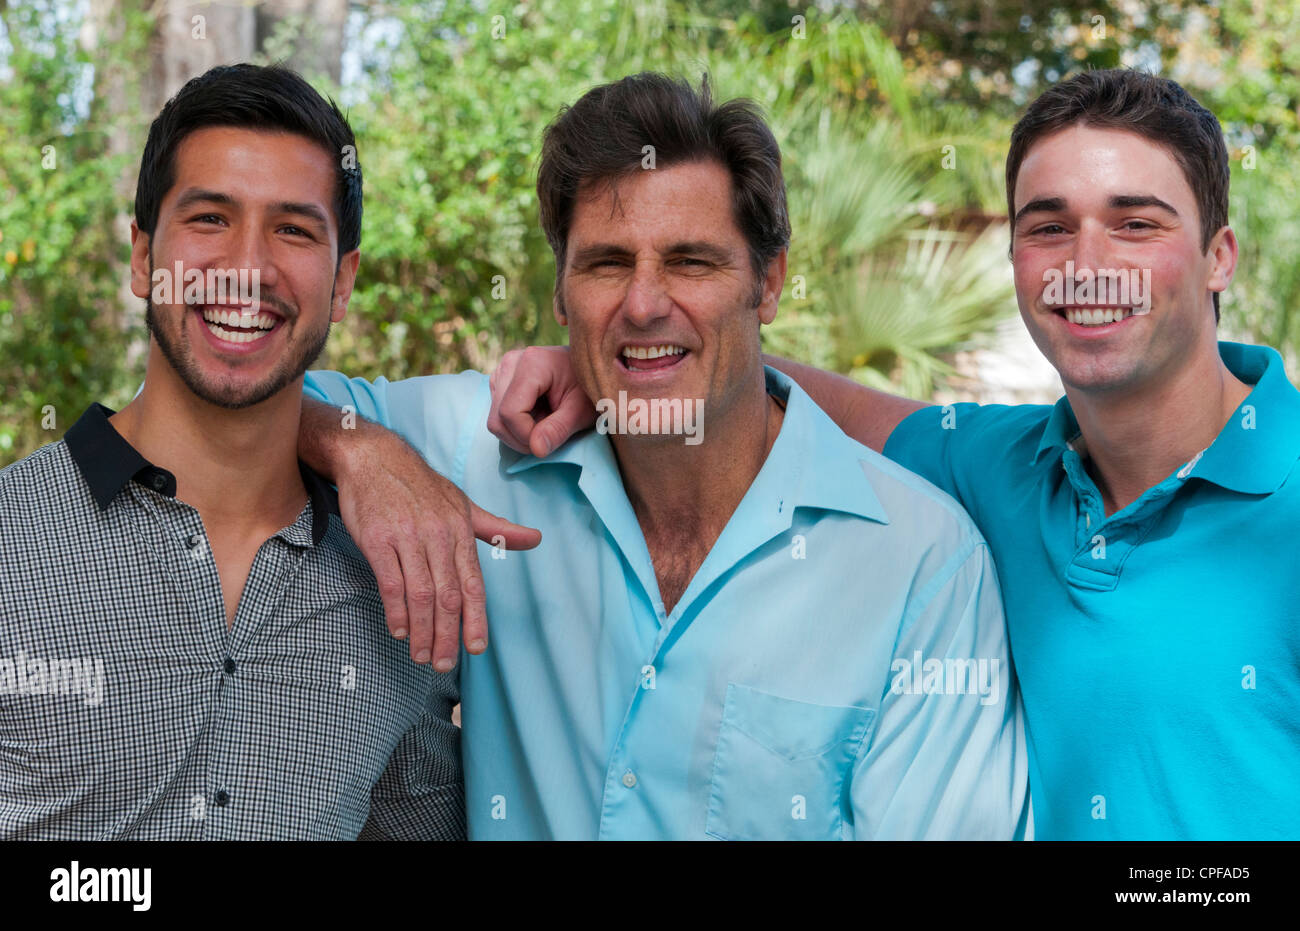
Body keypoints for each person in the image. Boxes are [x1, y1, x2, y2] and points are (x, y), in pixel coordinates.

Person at [491, 69, 1300, 840]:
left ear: (1218, 254)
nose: (1087, 266)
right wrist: (625, 366)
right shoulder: (998, 466)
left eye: (1136, 223)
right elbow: (810, 403)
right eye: (1048, 227)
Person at [299, 72, 1030, 840]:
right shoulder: (477, 446)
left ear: (769, 281)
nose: (643, 303)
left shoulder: (922, 564)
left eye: (691, 261)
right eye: (608, 263)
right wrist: (358, 446)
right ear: (562, 292)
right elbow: (230, 397)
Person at [0, 64, 481, 839]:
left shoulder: (394, 585)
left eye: (294, 229)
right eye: (210, 218)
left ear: (343, 281)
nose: (247, 269)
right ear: (142, 257)